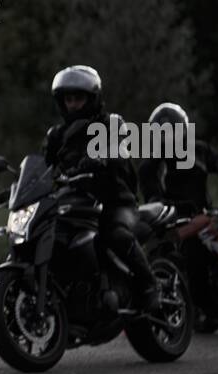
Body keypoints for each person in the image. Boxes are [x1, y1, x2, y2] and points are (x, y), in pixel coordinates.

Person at [43, 65, 159, 311]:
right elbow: (44, 167)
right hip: (75, 200)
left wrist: (103, 158)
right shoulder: (56, 135)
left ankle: (149, 285)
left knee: (114, 233)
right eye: (68, 99)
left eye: (79, 98)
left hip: (115, 200)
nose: (73, 104)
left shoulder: (110, 124)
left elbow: (120, 148)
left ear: (93, 98)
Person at [138, 102, 218, 214]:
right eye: (163, 132)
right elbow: (154, 203)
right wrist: (180, 208)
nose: (169, 137)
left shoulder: (198, 151)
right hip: (174, 227)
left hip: (206, 218)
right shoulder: (150, 166)